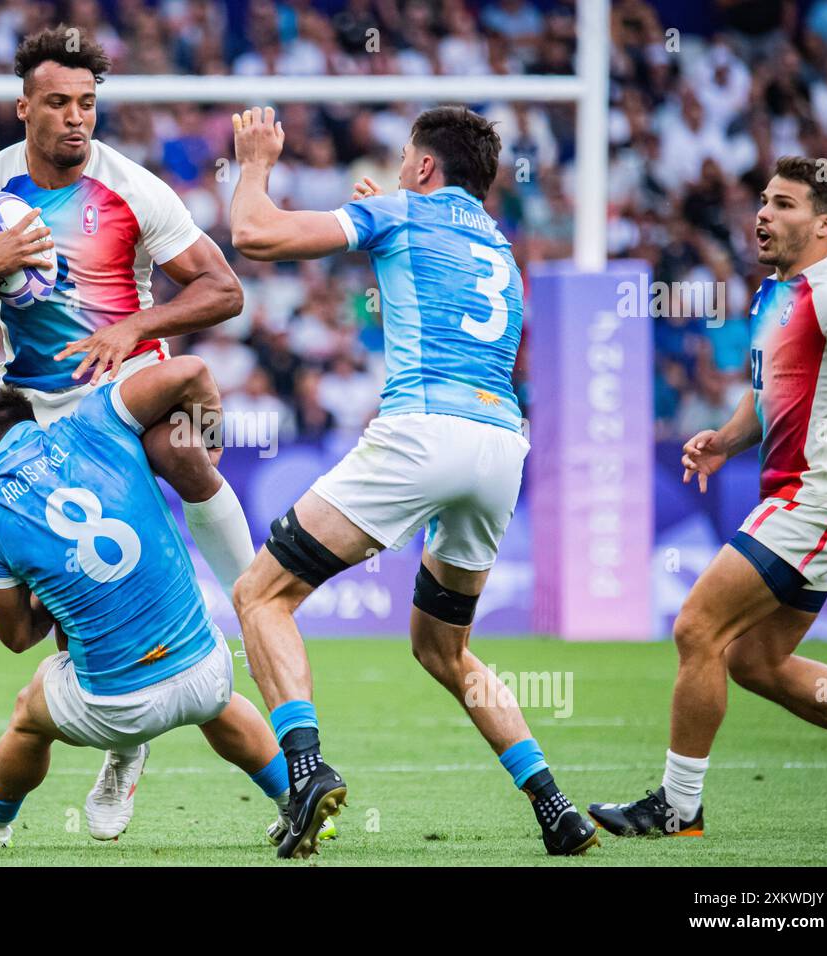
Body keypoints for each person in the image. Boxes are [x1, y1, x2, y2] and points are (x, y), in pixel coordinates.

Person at [227, 105, 598, 858]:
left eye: (404, 159)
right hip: (500, 448)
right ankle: (555, 806)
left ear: (425, 168)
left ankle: (303, 772)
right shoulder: (497, 245)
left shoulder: (400, 214)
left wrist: (256, 161)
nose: (398, 168)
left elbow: (254, 234)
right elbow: (423, 268)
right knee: (444, 648)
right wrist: (377, 217)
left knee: (261, 595)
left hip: (423, 433)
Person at [0, 26, 256, 834]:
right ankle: (125, 750)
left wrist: (135, 326)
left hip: (128, 383)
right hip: (43, 410)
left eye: (87, 102)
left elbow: (223, 292)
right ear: (23, 108)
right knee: (84, 584)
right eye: (58, 103)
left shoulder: (136, 189)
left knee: (182, 452)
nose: (77, 118)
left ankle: (256, 605)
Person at [590, 157, 827, 838]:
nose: (764, 215)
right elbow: (771, 396)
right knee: (756, 662)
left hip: (818, 500)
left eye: (784, 205)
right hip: (803, 498)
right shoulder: (778, 291)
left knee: (695, 627)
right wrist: (725, 439)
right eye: (764, 202)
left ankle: (679, 807)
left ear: (824, 223)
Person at [0, 356, 327, 849]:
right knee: (215, 702)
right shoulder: (94, 419)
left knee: (28, 711)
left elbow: (16, 638)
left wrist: (54, 584)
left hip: (114, 709)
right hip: (207, 667)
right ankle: (297, 800)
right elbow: (191, 370)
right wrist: (210, 444)